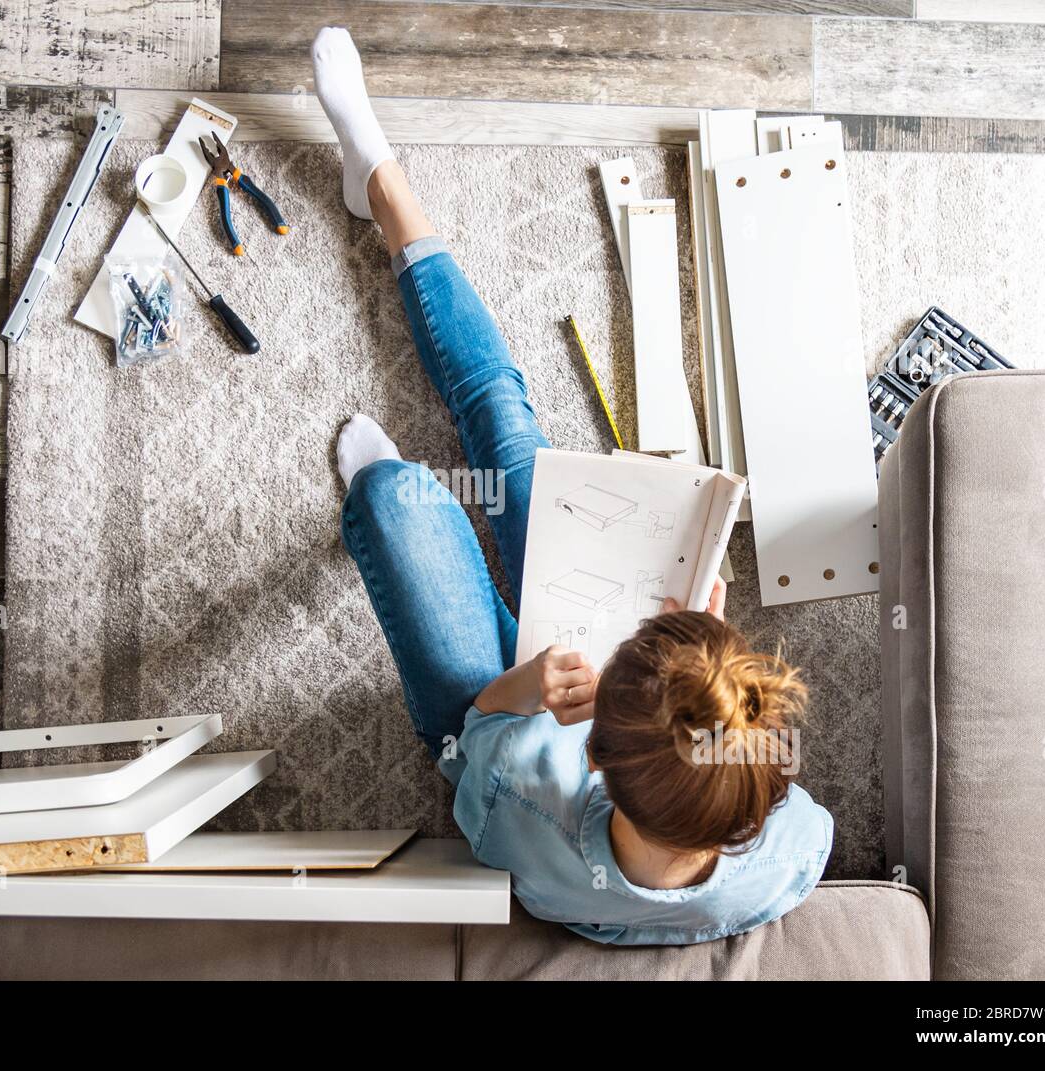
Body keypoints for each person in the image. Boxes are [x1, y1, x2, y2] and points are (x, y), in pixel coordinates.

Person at [314, 27, 832, 944]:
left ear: (590, 748)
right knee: (507, 428)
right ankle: (384, 191)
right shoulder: (778, 848)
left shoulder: (527, 816)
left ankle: (403, 491)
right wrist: (701, 642)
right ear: (749, 805)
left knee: (400, 498)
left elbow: (474, 751)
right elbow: (795, 819)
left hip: (496, 715)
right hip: (618, 731)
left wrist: (513, 694)